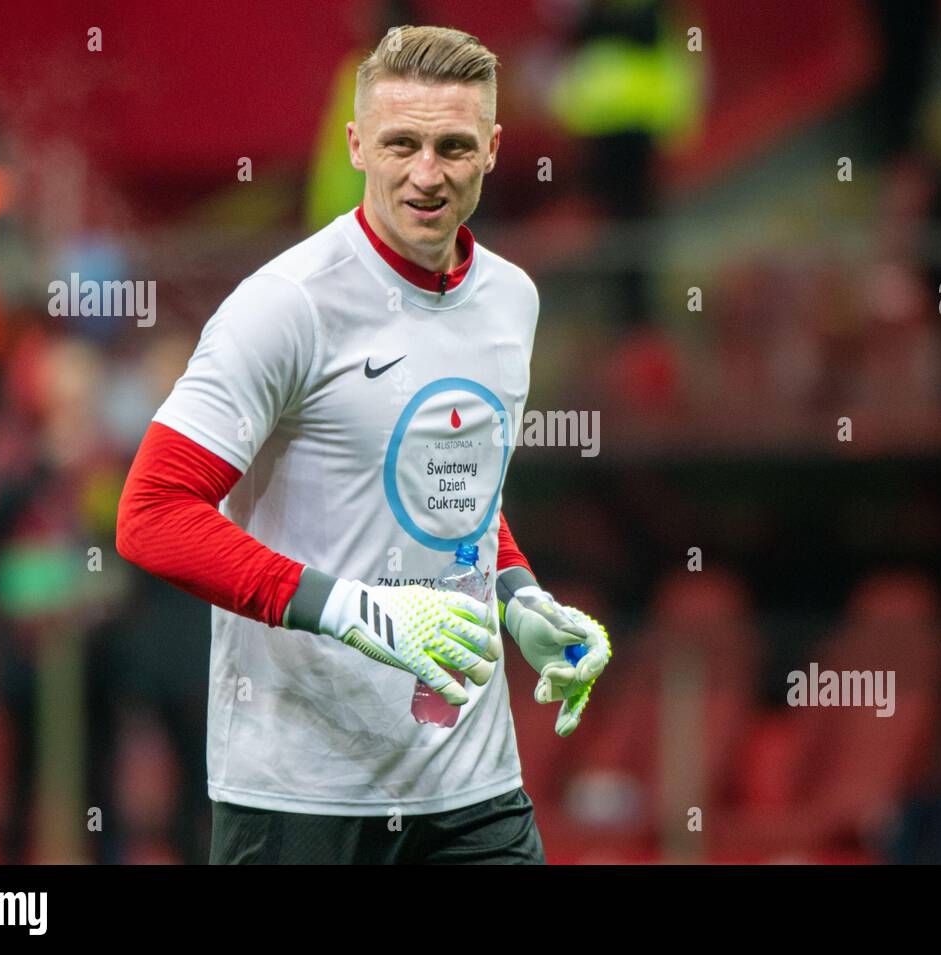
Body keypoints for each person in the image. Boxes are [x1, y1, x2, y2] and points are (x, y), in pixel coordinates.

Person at [116, 25, 612, 865]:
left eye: (454, 146)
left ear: (492, 149)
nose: (428, 173)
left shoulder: (512, 301)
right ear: (355, 146)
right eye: (401, 144)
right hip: (301, 793)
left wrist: (521, 601)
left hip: (473, 789)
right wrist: (348, 608)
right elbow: (150, 515)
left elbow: (456, 504)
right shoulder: (284, 305)